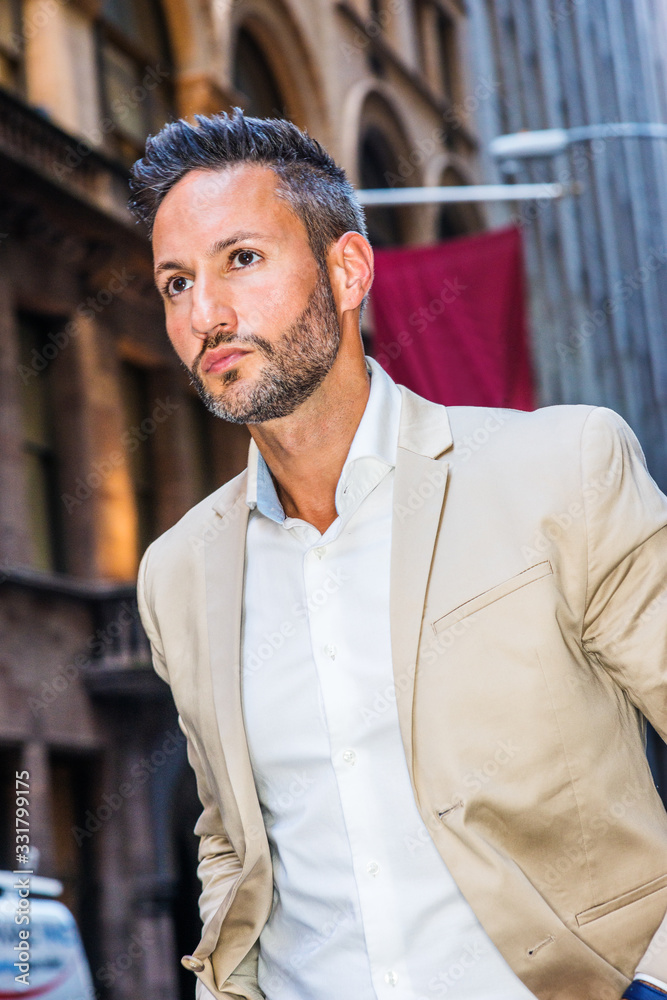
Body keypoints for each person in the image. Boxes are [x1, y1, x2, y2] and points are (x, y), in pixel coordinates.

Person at [128, 109, 667, 1000]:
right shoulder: (177, 573)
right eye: (176, 282)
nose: (205, 314)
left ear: (345, 271)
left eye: (243, 260)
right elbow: (230, 833)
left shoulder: (561, 470)